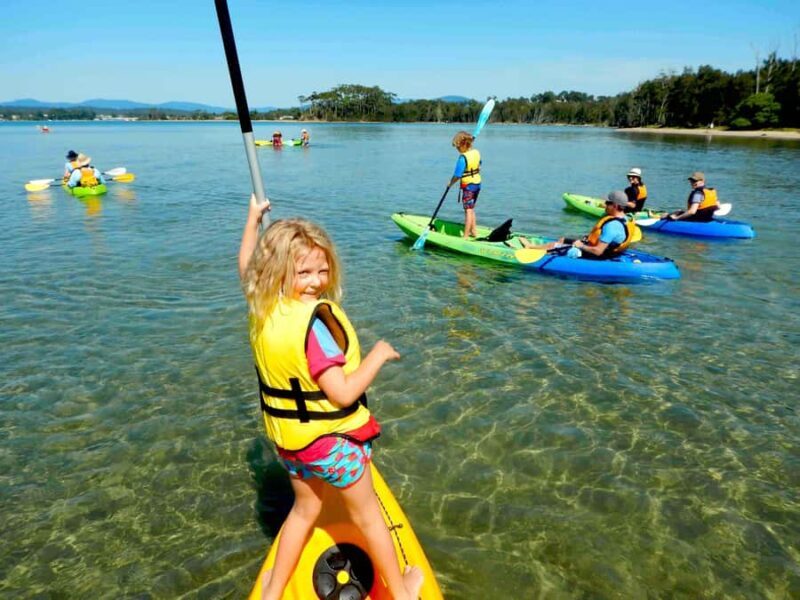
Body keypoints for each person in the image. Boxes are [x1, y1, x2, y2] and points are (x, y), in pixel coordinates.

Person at [238, 194, 424, 600]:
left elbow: (245, 265)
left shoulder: (262, 308)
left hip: (290, 444)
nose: (316, 281)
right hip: (331, 445)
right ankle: (405, 591)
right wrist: (378, 355)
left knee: (304, 511)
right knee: (369, 516)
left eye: (322, 270)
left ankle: (271, 592)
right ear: (278, 272)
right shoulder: (315, 329)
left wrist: (252, 220)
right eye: (303, 272)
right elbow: (342, 394)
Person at [520, 190, 636, 259]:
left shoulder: (612, 226)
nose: (604, 205)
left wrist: (581, 245)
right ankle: (538, 247)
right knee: (562, 239)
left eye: (607, 203)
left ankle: (530, 248)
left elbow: (598, 251)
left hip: (597, 255)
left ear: (615, 206)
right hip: (607, 251)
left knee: (555, 245)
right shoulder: (625, 219)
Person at [449, 130, 482, 238]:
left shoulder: (463, 158)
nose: (458, 150)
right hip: (477, 184)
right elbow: (479, 165)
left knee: (468, 210)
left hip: (468, 186)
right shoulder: (476, 152)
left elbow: (458, 175)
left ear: (463, 144)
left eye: (458, 147)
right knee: (471, 208)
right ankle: (474, 232)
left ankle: (466, 235)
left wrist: (450, 183)